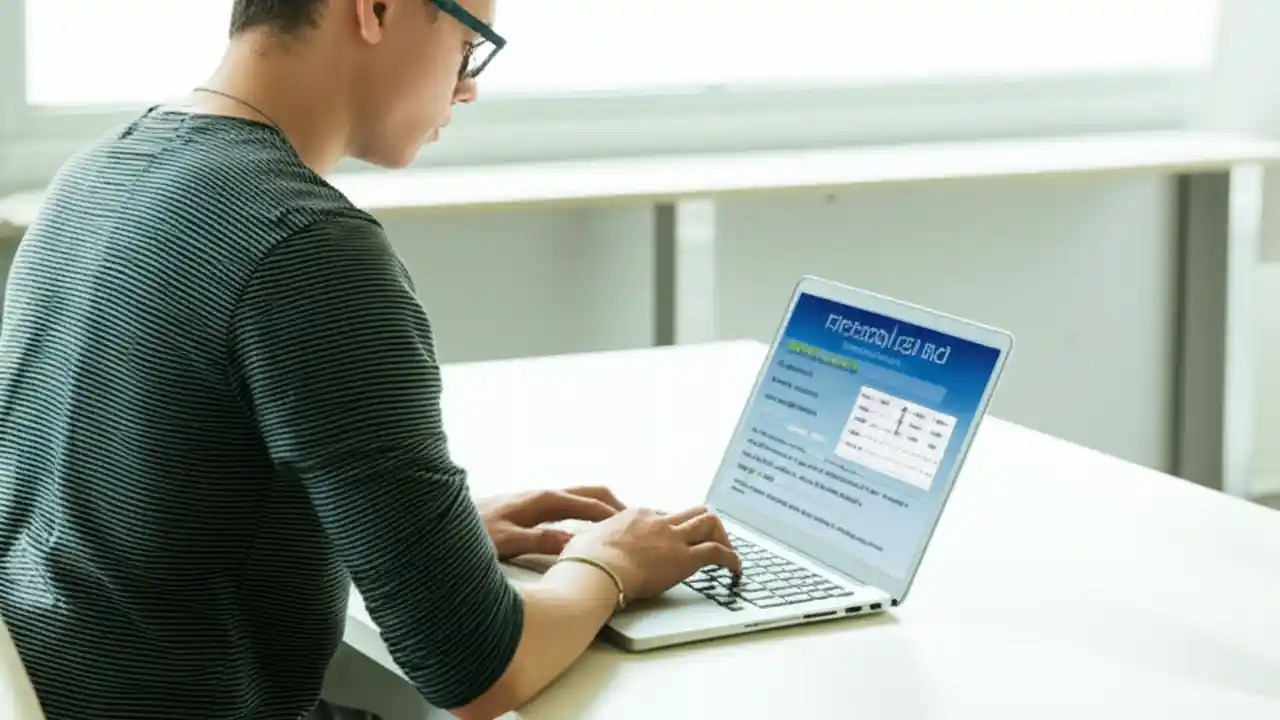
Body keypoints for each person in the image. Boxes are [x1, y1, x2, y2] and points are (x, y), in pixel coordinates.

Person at [0, 1, 742, 718]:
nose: (468, 87)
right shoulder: (306, 248)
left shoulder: (99, 173)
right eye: (468, 45)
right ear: (376, 8)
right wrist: (611, 565)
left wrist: (415, 540)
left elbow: (152, 516)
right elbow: (479, 668)